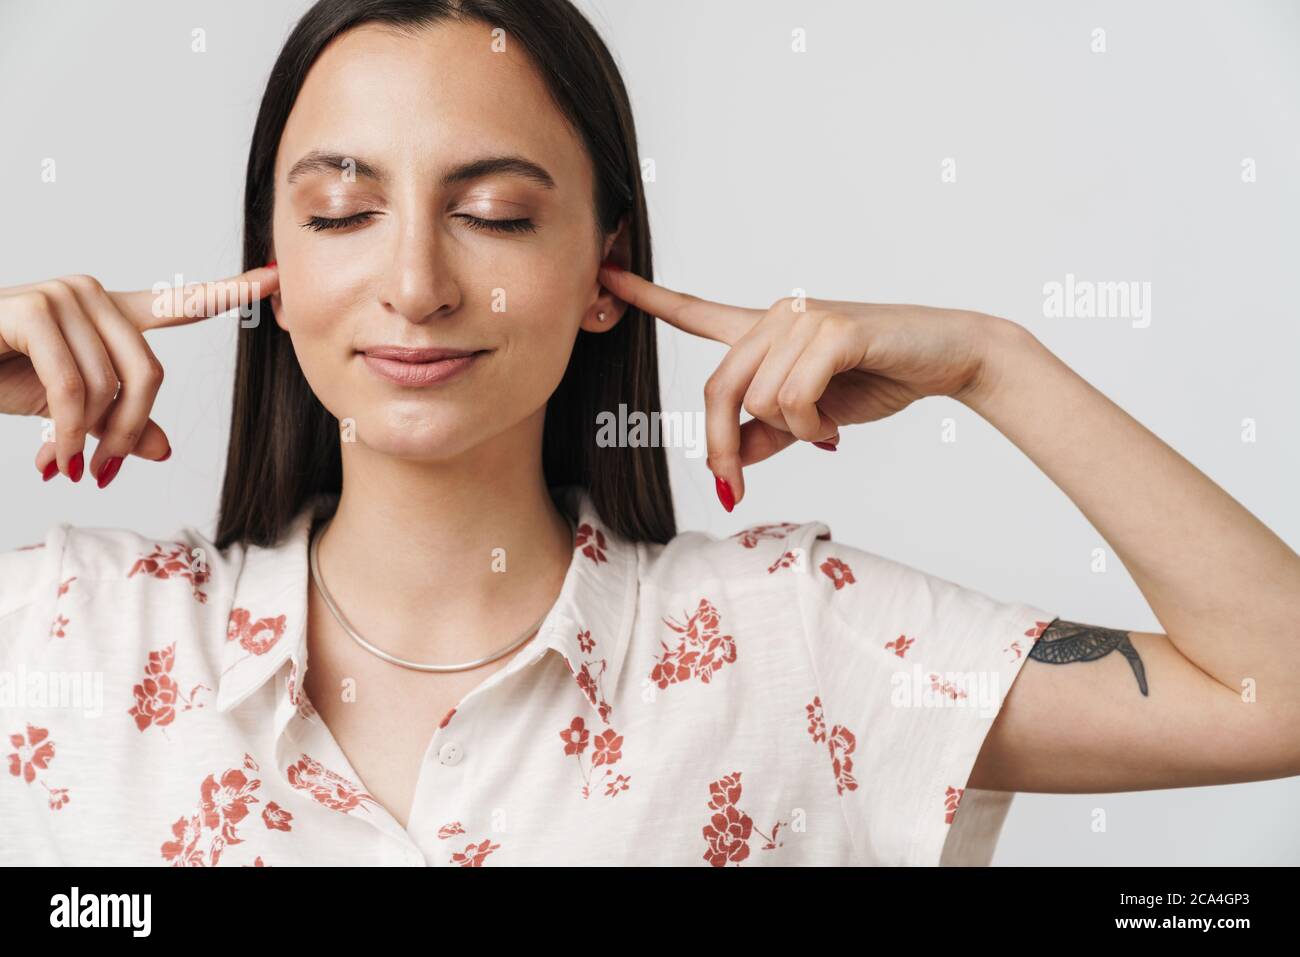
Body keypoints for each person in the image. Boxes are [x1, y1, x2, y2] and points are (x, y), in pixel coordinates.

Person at [1, 0, 1296, 867]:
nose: (415, 283)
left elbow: (1273, 694)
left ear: (599, 265)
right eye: (341, 213)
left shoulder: (794, 644)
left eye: (497, 214)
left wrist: (990, 359)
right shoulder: (69, 636)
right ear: (269, 258)